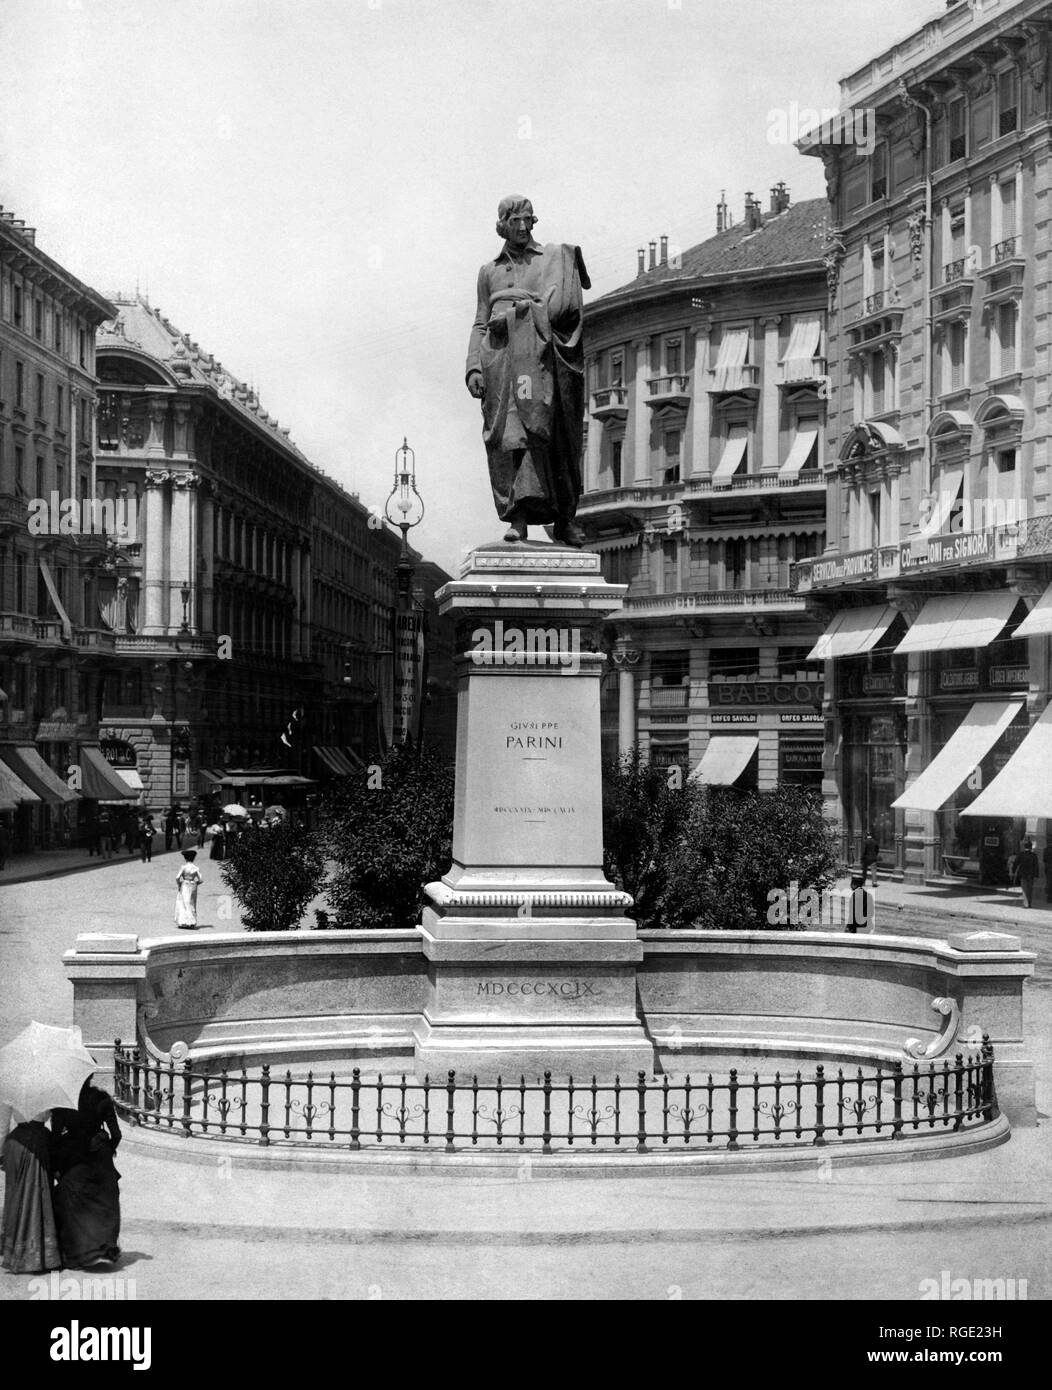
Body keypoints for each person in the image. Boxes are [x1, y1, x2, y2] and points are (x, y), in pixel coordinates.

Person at [466, 195, 590, 546]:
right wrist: (474, 365)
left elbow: (564, 308)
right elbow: (479, 321)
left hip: (542, 357)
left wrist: (526, 315)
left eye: (528, 220)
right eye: (515, 221)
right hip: (501, 358)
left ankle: (564, 520)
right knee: (511, 436)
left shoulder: (550, 260)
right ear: (502, 225)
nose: (522, 227)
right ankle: (517, 518)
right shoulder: (488, 271)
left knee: (553, 436)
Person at [51, 1079, 122, 1269]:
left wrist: (57, 1163)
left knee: (71, 1201)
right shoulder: (102, 1098)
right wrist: (108, 1149)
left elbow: (55, 1136)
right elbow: (117, 1134)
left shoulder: (62, 1101)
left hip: (72, 1156)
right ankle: (104, 1250)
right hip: (100, 1156)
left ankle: (76, 1253)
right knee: (105, 1201)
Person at [1, 1112, 61, 1273]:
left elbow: (3, 1125)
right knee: (40, 1193)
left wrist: (1, 1152)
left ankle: (15, 1250)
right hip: (40, 1142)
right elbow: (51, 1120)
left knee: (16, 1196)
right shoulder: (48, 1090)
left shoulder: (11, 1090)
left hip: (16, 1143)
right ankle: (42, 1253)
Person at [174, 848, 203, 928]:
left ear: (185, 858)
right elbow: (201, 879)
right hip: (193, 884)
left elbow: (177, 878)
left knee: (184, 902)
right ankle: (192, 921)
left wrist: (179, 884)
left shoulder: (183, 867)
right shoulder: (196, 868)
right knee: (192, 903)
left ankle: (184, 921)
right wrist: (196, 883)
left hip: (185, 884)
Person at [1015, 839, 1038, 909]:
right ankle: (1029, 904)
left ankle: (1025, 904)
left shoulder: (1021, 854)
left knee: (1024, 889)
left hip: (1023, 874)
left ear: (1024, 847)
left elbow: (1016, 863)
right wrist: (1036, 875)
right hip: (1030, 875)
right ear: (1031, 847)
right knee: (1030, 890)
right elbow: (1036, 866)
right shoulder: (1034, 855)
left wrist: (1013, 871)